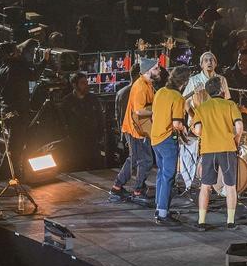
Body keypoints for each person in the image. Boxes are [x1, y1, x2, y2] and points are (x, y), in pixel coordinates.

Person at [190, 76, 243, 230]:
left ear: (207, 92)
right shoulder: (230, 104)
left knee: (205, 186)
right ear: (221, 90)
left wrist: (201, 132)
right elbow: (239, 127)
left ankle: (201, 221)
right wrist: (236, 142)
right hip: (227, 148)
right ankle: (231, 221)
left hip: (208, 150)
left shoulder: (202, 108)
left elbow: (198, 130)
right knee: (230, 186)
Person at [110, 58, 161, 200]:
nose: (159, 70)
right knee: (146, 160)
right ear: (147, 71)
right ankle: (137, 191)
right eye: (156, 68)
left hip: (137, 128)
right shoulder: (140, 87)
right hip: (135, 130)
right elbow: (139, 111)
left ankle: (117, 187)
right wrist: (156, 111)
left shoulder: (148, 84)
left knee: (134, 159)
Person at [179, 51, 229, 189]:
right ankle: (201, 182)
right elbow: (184, 101)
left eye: (212, 60)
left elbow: (227, 101)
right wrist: (194, 116)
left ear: (216, 63)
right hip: (200, 123)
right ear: (201, 64)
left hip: (217, 122)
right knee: (203, 154)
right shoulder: (194, 80)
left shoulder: (222, 79)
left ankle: (217, 184)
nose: (209, 62)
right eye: (206, 60)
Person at [150, 66, 191, 226]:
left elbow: (154, 115)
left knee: (161, 174)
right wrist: (185, 129)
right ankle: (163, 214)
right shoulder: (178, 98)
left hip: (155, 138)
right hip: (167, 140)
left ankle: (160, 207)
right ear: (185, 82)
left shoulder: (160, 92)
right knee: (168, 177)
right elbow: (176, 123)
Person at [56, 73, 105, 171]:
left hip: (92, 142)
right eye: (83, 83)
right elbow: (62, 123)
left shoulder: (93, 99)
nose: (86, 85)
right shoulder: (67, 102)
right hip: (76, 145)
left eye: (86, 82)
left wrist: (100, 135)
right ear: (74, 85)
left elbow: (100, 118)